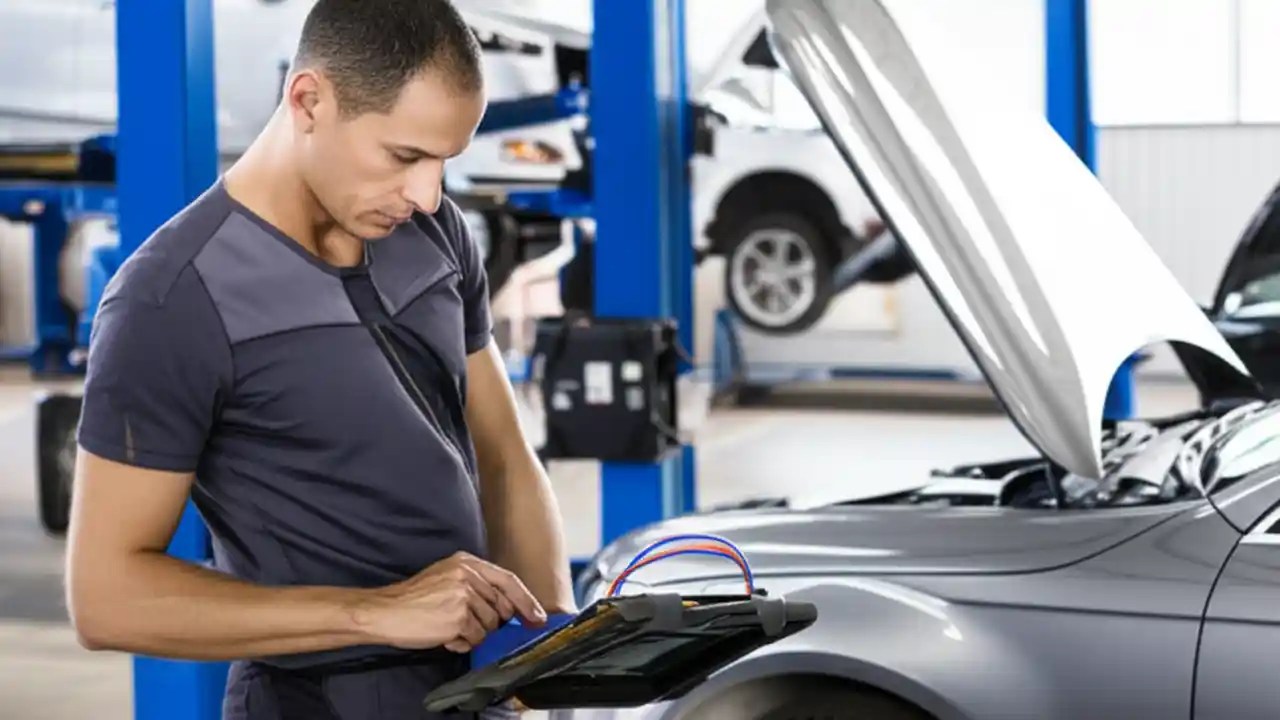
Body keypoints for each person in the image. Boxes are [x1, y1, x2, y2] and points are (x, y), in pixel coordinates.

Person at [63, 1, 576, 717]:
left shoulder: (434, 234)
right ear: (308, 100)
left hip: (476, 691)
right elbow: (105, 597)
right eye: (404, 156)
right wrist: (374, 612)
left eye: (443, 163)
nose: (427, 194)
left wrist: (550, 653)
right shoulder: (172, 299)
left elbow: (503, 456)